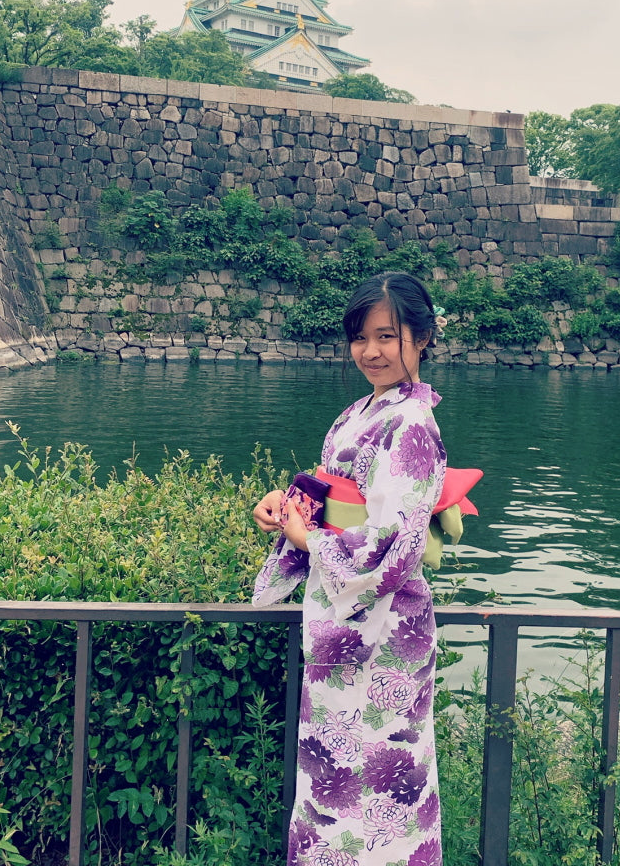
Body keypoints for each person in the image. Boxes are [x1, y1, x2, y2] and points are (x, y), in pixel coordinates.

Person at [252, 271, 450, 866]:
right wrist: (286, 505)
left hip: (385, 632)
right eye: (360, 338)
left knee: (385, 784)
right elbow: (331, 491)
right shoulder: (359, 413)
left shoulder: (412, 425)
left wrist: (309, 538)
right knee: (332, 785)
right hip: (341, 622)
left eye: (386, 336)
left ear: (422, 337)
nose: (371, 352)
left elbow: (393, 541)